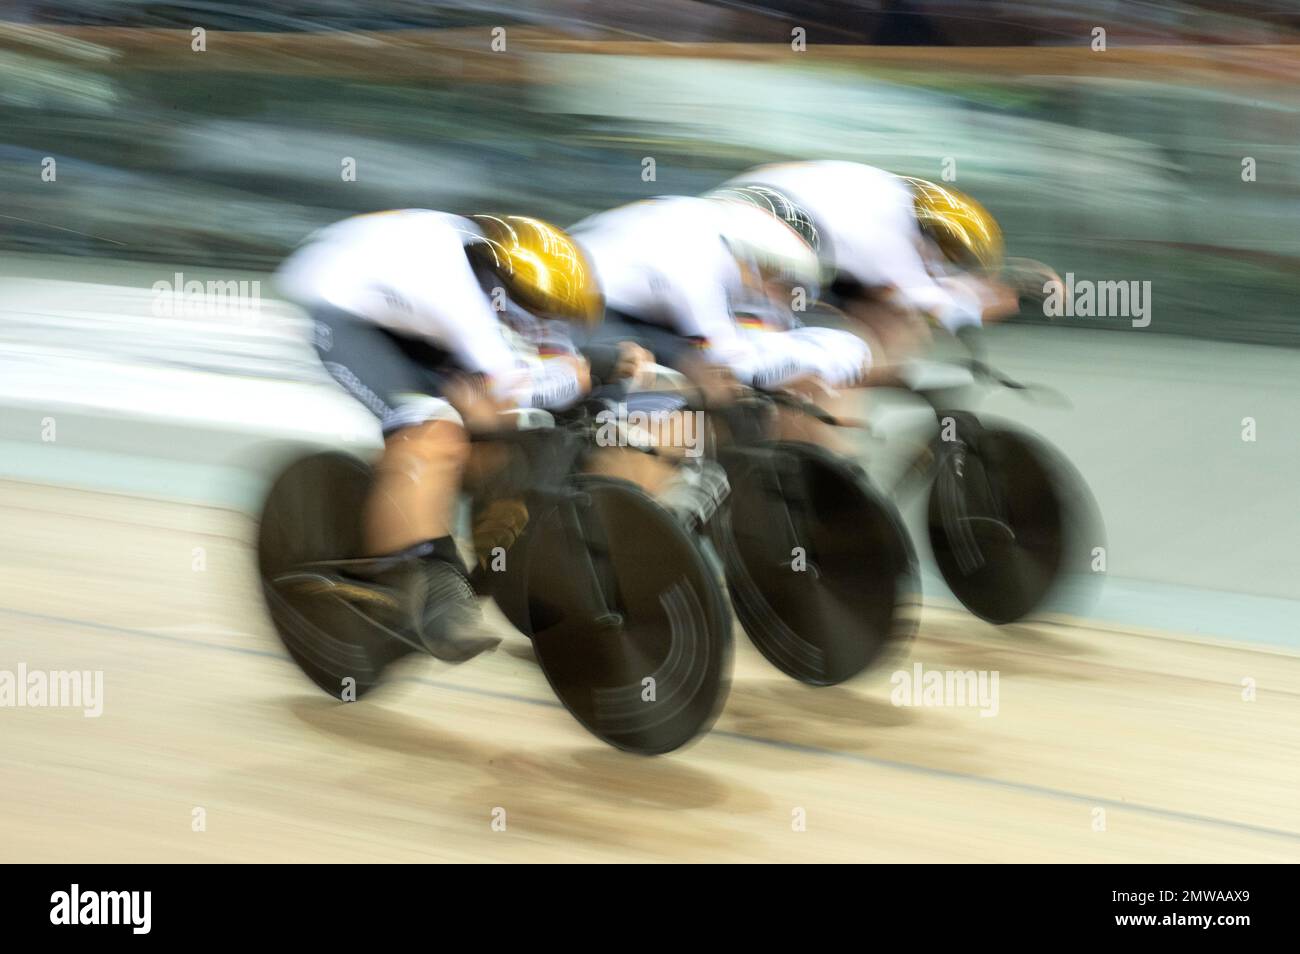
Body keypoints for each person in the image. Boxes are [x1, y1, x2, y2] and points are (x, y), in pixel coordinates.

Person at [274, 209, 601, 663]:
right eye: (541, 311)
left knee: (493, 431)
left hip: (413, 313)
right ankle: (422, 573)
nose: (547, 323)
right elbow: (519, 386)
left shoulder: (510, 283)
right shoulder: (459, 295)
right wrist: (578, 379)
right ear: (501, 287)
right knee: (434, 428)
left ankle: (412, 498)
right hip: (346, 310)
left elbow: (556, 362)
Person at [721, 161, 1058, 366]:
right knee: (780, 360)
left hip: (796, 230)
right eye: (944, 257)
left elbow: (934, 283)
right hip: (756, 235)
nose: (937, 265)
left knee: (896, 331)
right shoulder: (888, 237)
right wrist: (1008, 297)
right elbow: (934, 301)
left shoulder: (904, 212)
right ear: (928, 239)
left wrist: (1003, 284)